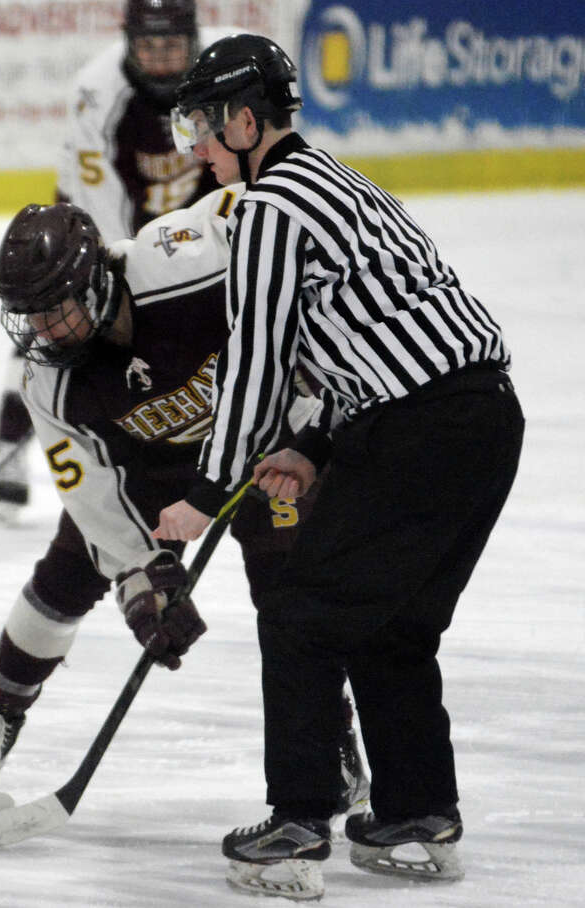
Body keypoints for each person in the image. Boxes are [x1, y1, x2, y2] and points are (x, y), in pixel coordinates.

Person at [160, 34, 524, 900]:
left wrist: (206, 495)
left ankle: (296, 823)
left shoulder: (270, 209)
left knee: (301, 612)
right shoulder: (338, 180)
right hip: (484, 424)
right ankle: (416, 813)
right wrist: (315, 446)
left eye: (206, 129)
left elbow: (257, 361)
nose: (198, 150)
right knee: (391, 625)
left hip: (418, 435)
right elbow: (376, 333)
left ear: (248, 121)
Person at [0, 190, 368, 821]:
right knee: (65, 576)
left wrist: (313, 396)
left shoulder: (185, 261)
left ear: (96, 286)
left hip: (262, 442)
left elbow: (268, 217)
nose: (42, 332)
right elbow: (89, 491)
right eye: (28, 316)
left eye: (54, 310)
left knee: (292, 601)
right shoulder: (46, 378)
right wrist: (144, 574)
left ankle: (333, 740)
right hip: (149, 468)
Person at [0, 0, 221, 522]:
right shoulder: (99, 91)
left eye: (172, 47)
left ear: (194, 41)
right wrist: (127, 279)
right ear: (128, 43)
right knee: (55, 313)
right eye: (148, 47)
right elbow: (104, 210)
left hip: (189, 216)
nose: (160, 61)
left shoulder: (224, 77)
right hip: (97, 217)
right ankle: (7, 445)